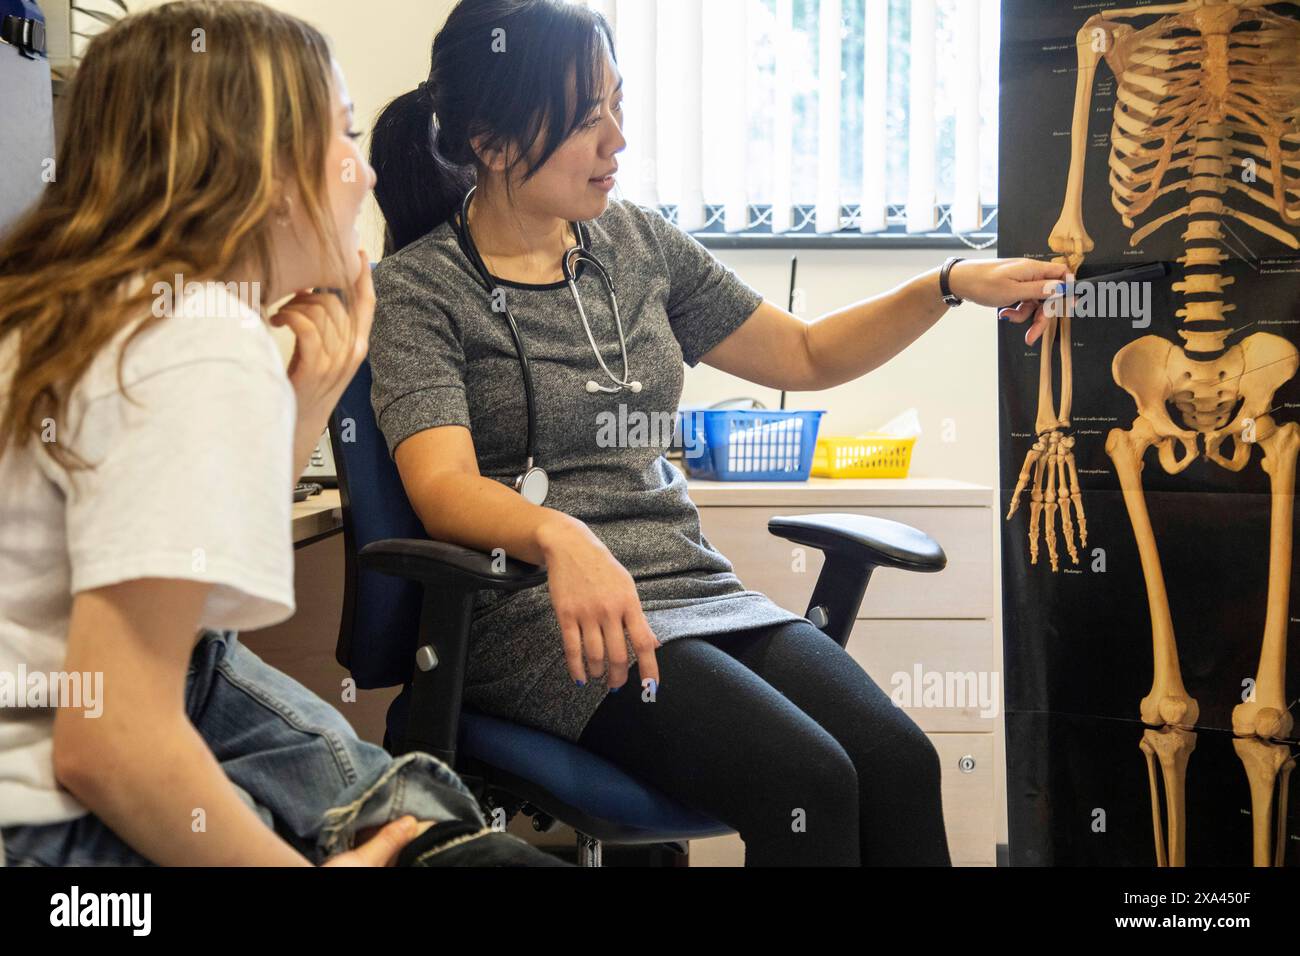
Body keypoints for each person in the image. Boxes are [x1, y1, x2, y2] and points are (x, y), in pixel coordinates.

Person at [367, 0, 1068, 865]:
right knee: (807, 782)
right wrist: (564, 539)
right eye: (589, 118)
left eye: (617, 105)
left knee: (898, 761)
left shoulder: (636, 244)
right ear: (490, 137)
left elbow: (803, 354)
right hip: (542, 613)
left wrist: (951, 282)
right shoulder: (418, 289)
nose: (617, 138)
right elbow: (442, 489)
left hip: (692, 589)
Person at [0, 0, 564, 868]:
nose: (369, 175)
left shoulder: (79, 315)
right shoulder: (192, 340)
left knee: (437, 834)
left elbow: (189, 607)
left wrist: (304, 403)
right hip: (49, 830)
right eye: (341, 137)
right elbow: (108, 740)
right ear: (256, 169)